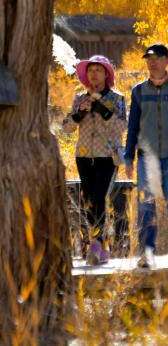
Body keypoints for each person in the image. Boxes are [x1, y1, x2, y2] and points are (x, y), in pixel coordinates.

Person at [123, 44, 168, 269]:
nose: (151, 62)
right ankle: (147, 252)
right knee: (146, 205)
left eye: (156, 58)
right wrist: (128, 157)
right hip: (147, 158)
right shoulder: (138, 91)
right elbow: (133, 125)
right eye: (148, 59)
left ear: (167, 60)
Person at [62, 55, 127, 265]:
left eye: (98, 70)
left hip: (107, 156)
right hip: (83, 155)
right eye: (90, 70)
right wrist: (78, 115)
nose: (94, 74)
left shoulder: (117, 99)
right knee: (89, 200)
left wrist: (101, 110)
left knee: (99, 197)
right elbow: (66, 129)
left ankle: (95, 244)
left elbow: (120, 128)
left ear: (106, 74)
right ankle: (102, 247)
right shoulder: (80, 98)